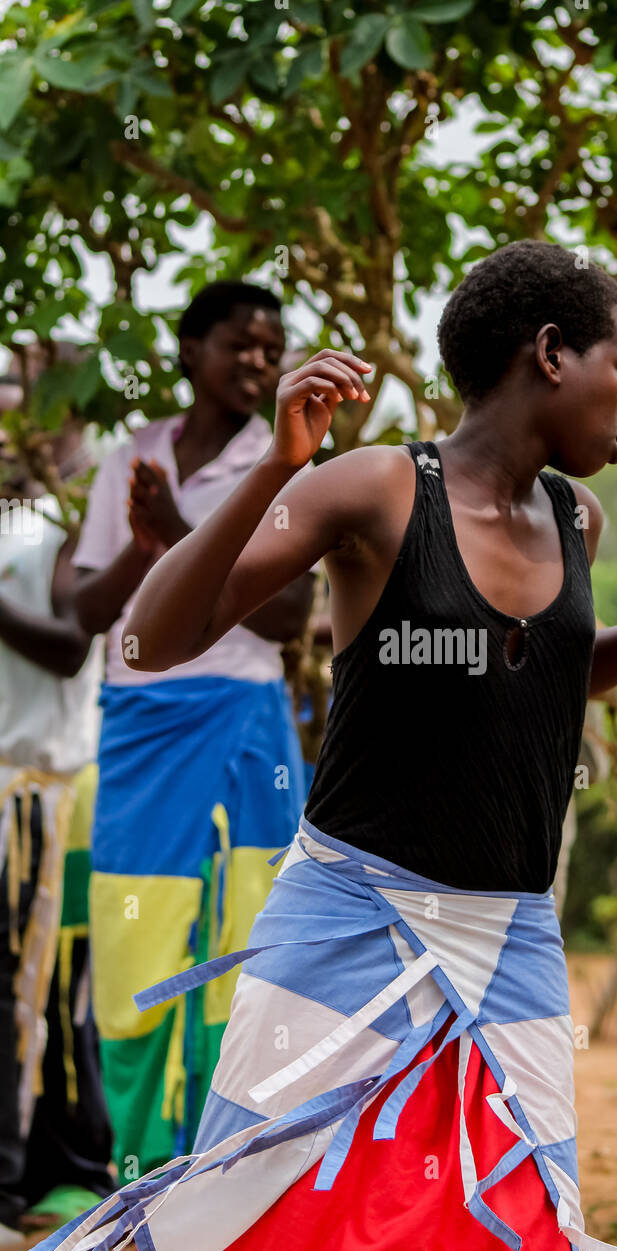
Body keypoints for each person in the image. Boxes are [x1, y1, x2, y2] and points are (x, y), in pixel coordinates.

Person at [3, 241, 617, 1251]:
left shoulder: (575, 517)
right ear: (549, 354)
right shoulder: (374, 487)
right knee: (259, 1224)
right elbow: (150, 638)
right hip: (348, 916)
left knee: (517, 1242)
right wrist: (279, 465)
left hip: (510, 936)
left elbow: (550, 676)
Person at [70, 281, 315, 1184]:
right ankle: (138, 1170)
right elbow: (85, 609)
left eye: (271, 348)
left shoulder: (284, 465)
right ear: (188, 348)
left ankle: (230, 1174)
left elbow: (288, 616)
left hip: (243, 722)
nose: (258, 362)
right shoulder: (128, 458)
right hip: (137, 723)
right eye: (239, 344)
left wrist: (177, 531)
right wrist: (144, 549)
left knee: (243, 939)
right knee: (133, 935)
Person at [0, 367, 113, 1249]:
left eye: (24, 391)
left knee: (36, 991)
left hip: (39, 794)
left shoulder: (75, 518)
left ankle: (39, 1181)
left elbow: (74, 648)